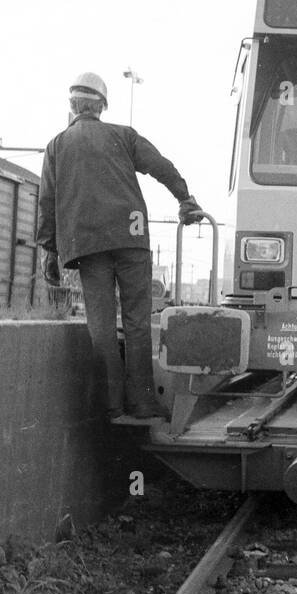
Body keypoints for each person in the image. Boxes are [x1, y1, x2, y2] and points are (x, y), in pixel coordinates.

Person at [38, 72, 204, 421]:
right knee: (137, 322)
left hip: (88, 245)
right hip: (130, 239)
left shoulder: (56, 146)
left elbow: (47, 201)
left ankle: (111, 404)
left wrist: (49, 249)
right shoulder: (123, 136)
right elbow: (161, 166)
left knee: (100, 324)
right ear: (102, 106)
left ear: (71, 106)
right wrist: (185, 198)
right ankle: (142, 402)